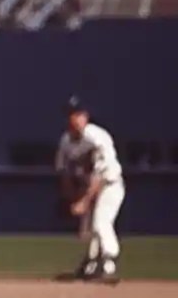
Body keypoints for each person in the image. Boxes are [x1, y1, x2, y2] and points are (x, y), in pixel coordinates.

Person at [54, 96, 126, 284]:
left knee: (101, 222)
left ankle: (109, 262)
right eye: (72, 114)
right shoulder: (65, 141)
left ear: (86, 117)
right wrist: (73, 198)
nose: (76, 118)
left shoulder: (97, 137)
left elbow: (100, 177)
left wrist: (84, 202)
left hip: (110, 185)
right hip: (90, 187)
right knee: (91, 229)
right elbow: (64, 172)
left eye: (80, 114)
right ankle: (92, 262)